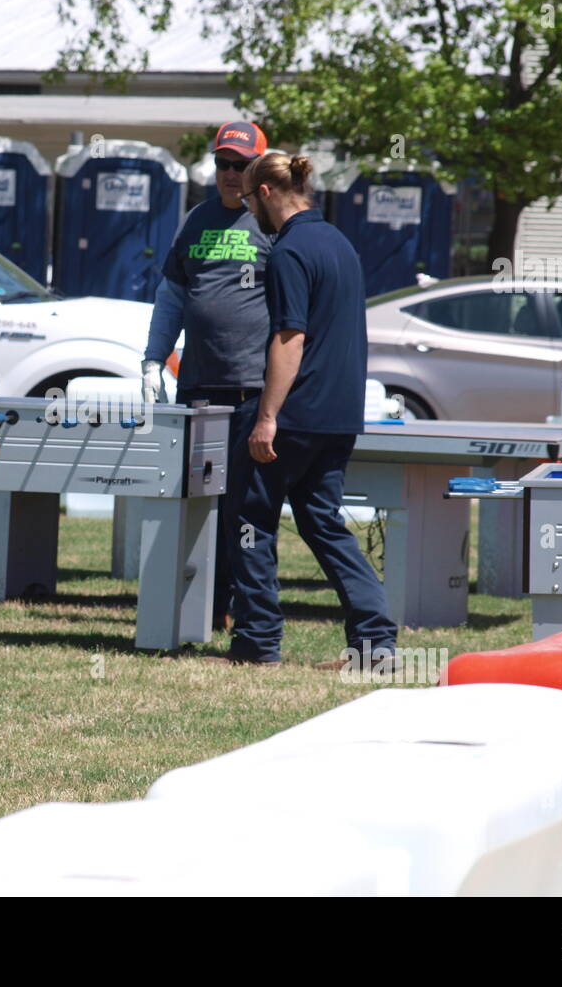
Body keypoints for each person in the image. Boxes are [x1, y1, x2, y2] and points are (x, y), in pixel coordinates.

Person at [223, 151, 398, 668]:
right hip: (340, 414)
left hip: (296, 414)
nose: (249, 206)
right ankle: (374, 644)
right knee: (322, 522)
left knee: (249, 519)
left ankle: (256, 642)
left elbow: (290, 337)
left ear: (267, 194)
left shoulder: (289, 251)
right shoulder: (340, 244)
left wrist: (267, 416)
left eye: (250, 196)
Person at [142, 121, 273, 630]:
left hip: (250, 391)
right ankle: (203, 606)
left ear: (259, 169)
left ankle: (246, 612)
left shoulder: (271, 225)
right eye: (223, 163)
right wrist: (154, 359)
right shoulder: (196, 220)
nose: (231, 174)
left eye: (241, 165)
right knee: (200, 503)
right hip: (197, 386)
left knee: (245, 508)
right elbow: (172, 296)